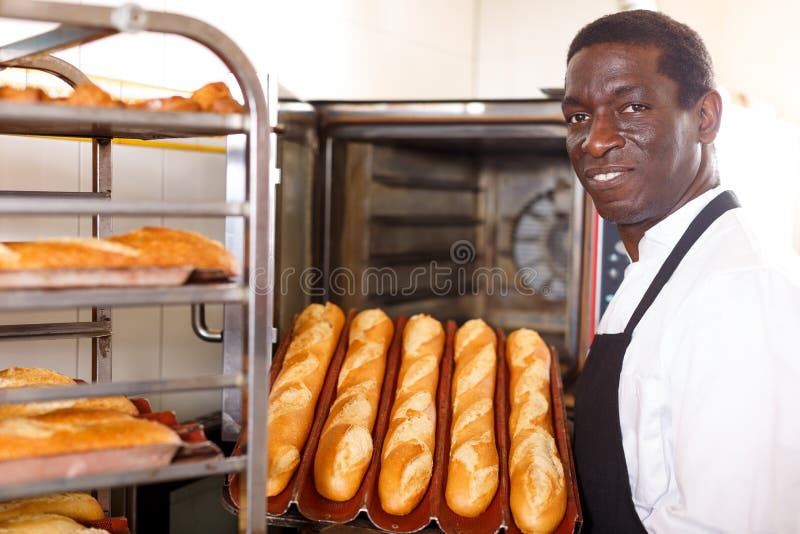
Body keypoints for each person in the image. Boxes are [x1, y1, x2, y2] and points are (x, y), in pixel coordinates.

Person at [563, 9, 800, 533]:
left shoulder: (738, 288)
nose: (595, 141)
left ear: (706, 117)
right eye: (579, 116)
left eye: (633, 107)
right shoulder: (664, 260)